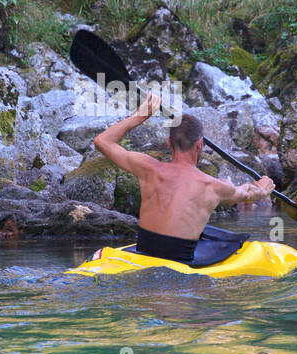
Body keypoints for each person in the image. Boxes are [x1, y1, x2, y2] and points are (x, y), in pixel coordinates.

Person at [92, 92, 275, 264]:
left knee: (208, 232)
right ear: (199, 145)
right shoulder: (214, 186)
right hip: (179, 266)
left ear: (169, 142)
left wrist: (140, 116)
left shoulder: (147, 168)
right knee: (228, 239)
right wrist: (262, 189)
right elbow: (245, 193)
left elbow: (102, 141)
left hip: (144, 252)